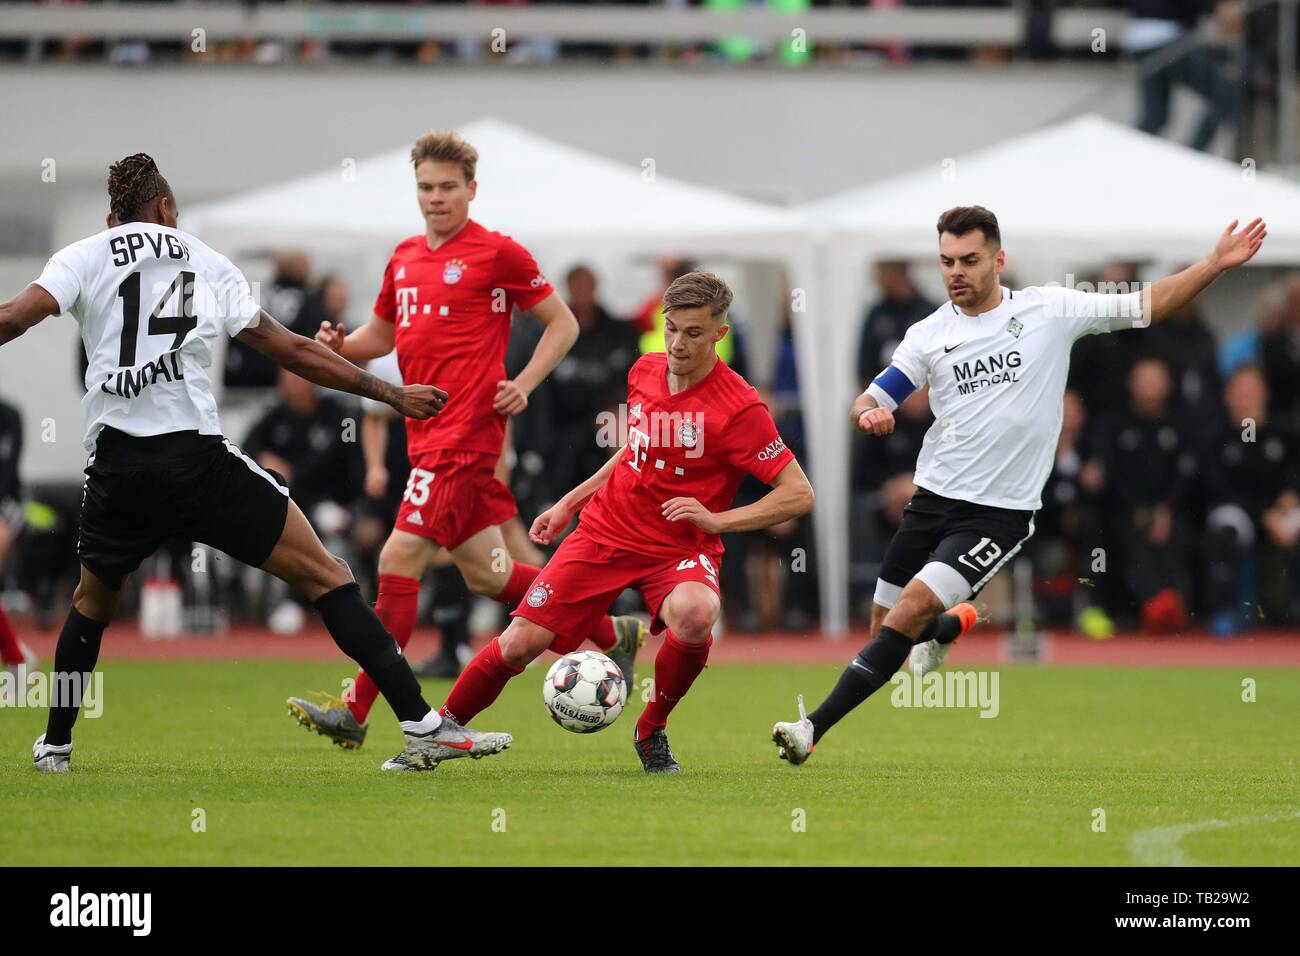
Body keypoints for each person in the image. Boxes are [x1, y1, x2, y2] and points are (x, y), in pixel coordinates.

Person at [0, 152, 513, 773]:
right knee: (327, 576)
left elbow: (12, 318)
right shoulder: (205, 261)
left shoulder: (83, 254)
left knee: (91, 605)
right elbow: (294, 350)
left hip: (118, 469)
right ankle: (421, 726)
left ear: (114, 217)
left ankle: (55, 745)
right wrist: (393, 394)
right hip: (196, 461)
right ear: (166, 209)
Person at [772, 204, 1266, 765]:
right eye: (946, 261)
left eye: (969, 260)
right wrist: (867, 414)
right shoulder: (929, 333)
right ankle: (945, 626)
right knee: (884, 628)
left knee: (905, 612)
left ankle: (810, 728)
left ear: (998, 260)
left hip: (998, 513)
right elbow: (873, 394)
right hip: (931, 499)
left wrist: (1215, 264)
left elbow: (1148, 304)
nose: (956, 271)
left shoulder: (1050, 309)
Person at [283, 131, 643, 755]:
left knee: (396, 561)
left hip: (466, 436)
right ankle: (609, 632)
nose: (436, 197)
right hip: (426, 438)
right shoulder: (403, 258)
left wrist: (524, 383)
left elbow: (565, 322)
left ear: (472, 190)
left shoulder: (497, 255)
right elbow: (382, 335)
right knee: (489, 574)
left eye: (449, 187)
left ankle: (356, 710)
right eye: (426, 187)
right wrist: (338, 347)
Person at [425, 271, 815, 774]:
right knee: (521, 642)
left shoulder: (740, 408)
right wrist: (569, 502)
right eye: (671, 327)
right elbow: (636, 451)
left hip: (678, 548)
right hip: (606, 529)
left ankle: (651, 729)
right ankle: (439, 732)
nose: (677, 342)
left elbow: (798, 493)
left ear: (719, 333)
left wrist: (718, 520)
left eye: (693, 333)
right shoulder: (643, 371)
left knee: (697, 614)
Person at [0, 395, 38, 675]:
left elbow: (11, 472)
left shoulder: (10, 415)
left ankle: (16, 658)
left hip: (7, 503)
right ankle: (16, 658)